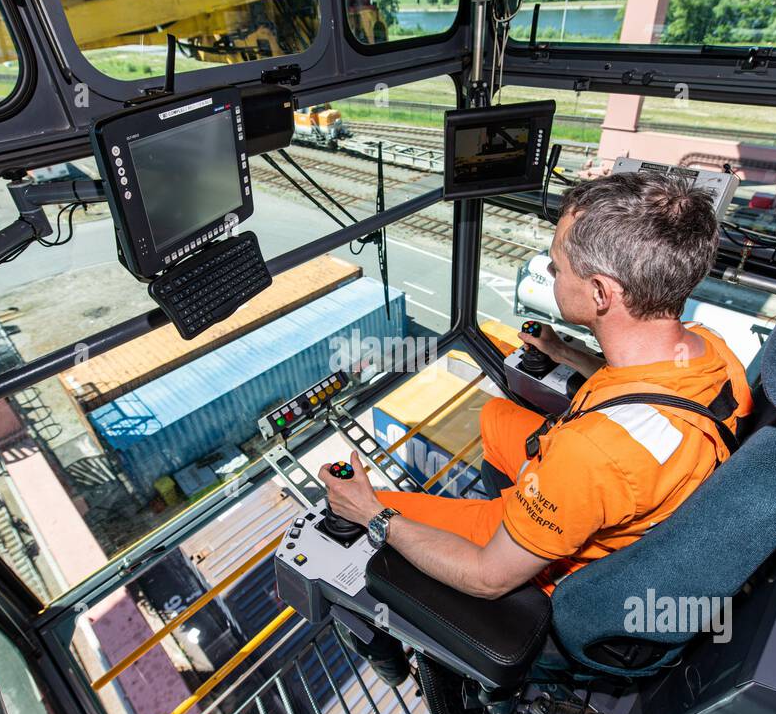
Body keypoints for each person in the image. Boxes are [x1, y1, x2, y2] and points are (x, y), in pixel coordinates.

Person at [319, 170, 752, 600]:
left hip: (536, 536)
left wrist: (372, 513)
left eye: (558, 265)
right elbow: (641, 384)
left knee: (362, 507)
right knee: (493, 416)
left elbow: (487, 577)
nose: (550, 269)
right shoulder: (710, 348)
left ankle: (509, 521)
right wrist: (564, 352)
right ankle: (525, 499)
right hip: (594, 476)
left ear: (601, 293)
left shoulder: (593, 453)